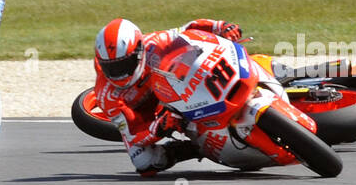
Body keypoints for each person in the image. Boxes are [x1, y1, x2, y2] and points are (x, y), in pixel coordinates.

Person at [92, 17, 261, 176]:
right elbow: (133, 134)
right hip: (148, 116)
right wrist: (158, 128)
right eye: (110, 67)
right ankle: (194, 148)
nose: (119, 74)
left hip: (174, 88)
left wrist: (220, 27)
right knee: (144, 162)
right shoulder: (106, 95)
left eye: (124, 64)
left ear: (139, 51)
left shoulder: (154, 42)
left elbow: (189, 30)